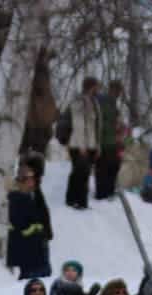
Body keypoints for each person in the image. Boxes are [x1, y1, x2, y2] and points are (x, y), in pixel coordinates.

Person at [7, 164, 53, 280]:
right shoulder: (16, 198)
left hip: (39, 247)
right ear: (21, 181)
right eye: (29, 178)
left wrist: (45, 232)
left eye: (33, 178)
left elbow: (43, 215)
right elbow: (19, 225)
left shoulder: (34, 195)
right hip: (29, 253)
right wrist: (35, 231)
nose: (32, 181)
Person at [65, 77, 100, 210]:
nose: (98, 89)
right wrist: (82, 146)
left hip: (90, 144)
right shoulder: (78, 101)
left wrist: (97, 146)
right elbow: (78, 124)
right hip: (79, 145)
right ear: (91, 87)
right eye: (96, 86)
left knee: (84, 173)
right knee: (79, 173)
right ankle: (75, 200)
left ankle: (79, 201)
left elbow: (95, 126)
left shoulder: (94, 102)